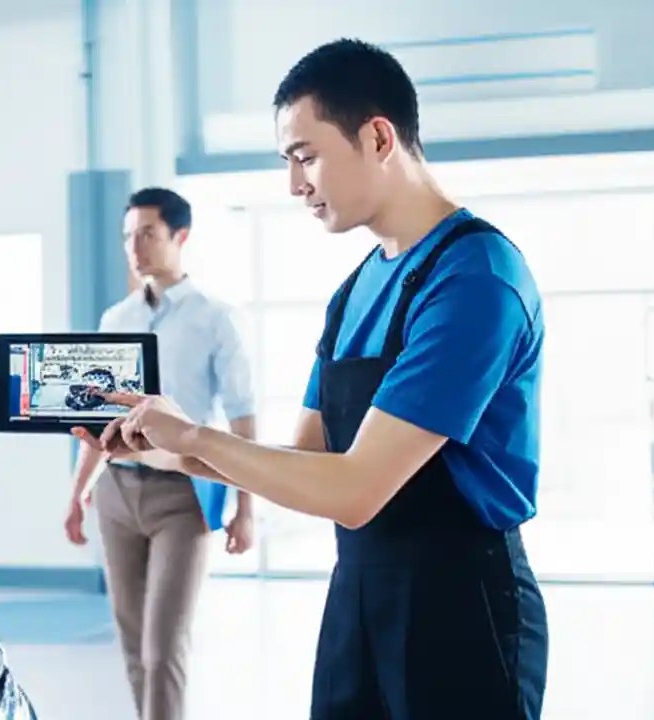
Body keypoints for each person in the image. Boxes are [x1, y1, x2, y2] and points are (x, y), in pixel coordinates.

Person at [80, 40, 549, 720]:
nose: (294, 184)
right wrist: (162, 448)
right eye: (287, 162)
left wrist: (198, 439)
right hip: (357, 592)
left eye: (305, 156)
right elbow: (305, 460)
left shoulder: (475, 278)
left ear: (378, 137)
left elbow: (355, 489)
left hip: (461, 606)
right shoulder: (354, 292)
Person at [65, 187, 257, 720]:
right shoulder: (116, 318)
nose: (135, 247)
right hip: (117, 491)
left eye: (147, 234)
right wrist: (78, 493)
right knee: (132, 647)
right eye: (128, 236)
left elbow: (242, 417)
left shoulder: (216, 318)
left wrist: (245, 508)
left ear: (180, 236)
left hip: (184, 495)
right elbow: (99, 421)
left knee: (162, 649)